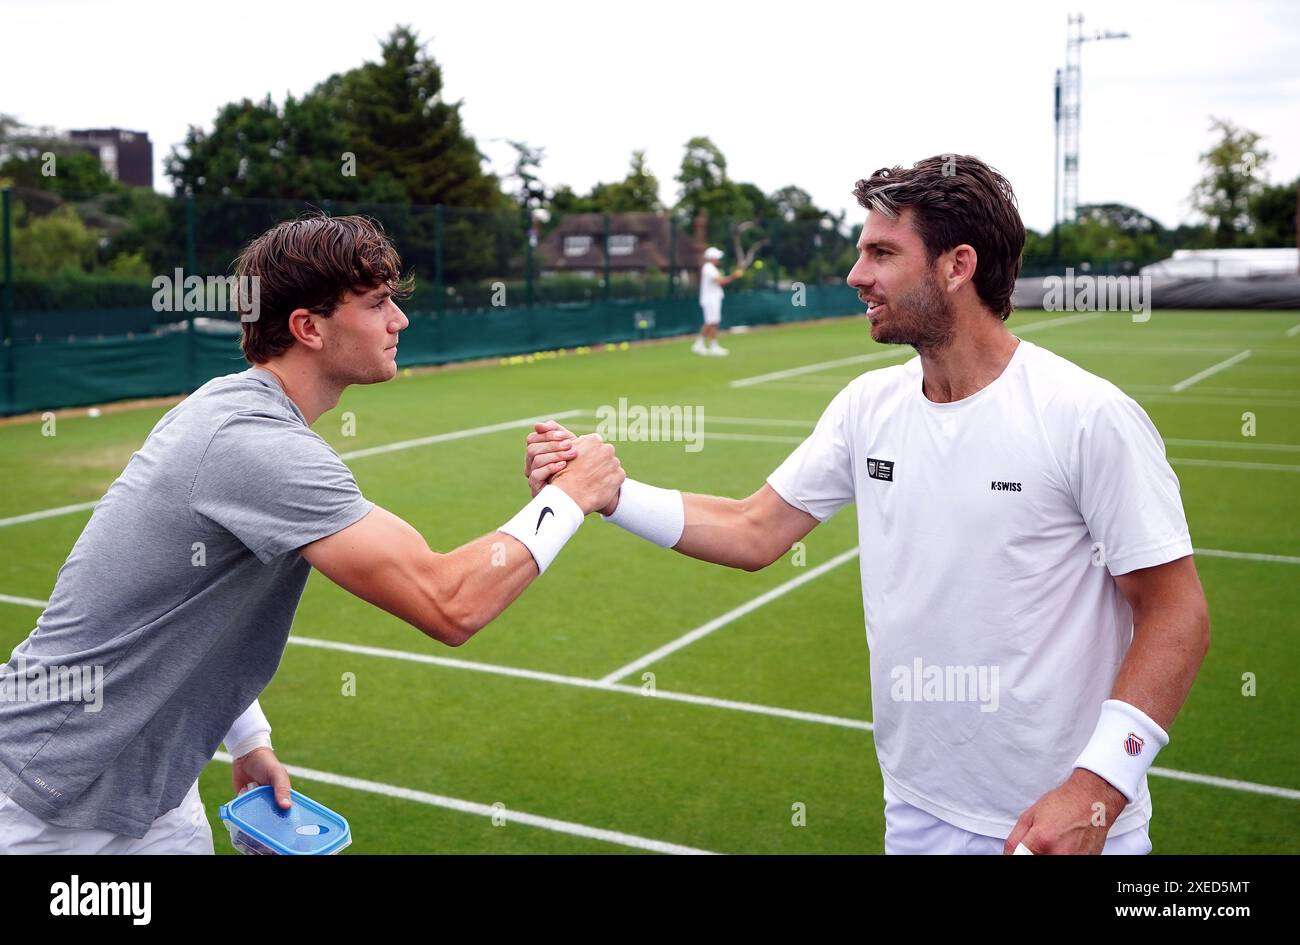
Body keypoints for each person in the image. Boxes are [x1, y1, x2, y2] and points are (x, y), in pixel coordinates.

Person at [526, 155, 1210, 855]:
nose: (857, 276)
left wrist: (1098, 787)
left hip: (1060, 825)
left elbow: (1176, 611)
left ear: (957, 265)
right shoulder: (867, 406)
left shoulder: (1087, 415)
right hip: (913, 806)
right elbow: (753, 528)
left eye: (882, 253)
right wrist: (608, 494)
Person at [0, 213, 623, 854]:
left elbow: (187, 605)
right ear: (308, 327)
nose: (399, 321)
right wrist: (572, 497)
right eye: (378, 304)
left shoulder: (235, 410)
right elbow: (449, 602)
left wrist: (248, 739)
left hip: (153, 789)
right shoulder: (255, 444)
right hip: (46, 800)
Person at [693, 246, 743, 356]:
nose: (718, 259)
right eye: (717, 257)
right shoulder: (708, 268)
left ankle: (702, 344)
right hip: (710, 299)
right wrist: (734, 276)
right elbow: (720, 281)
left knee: (712, 322)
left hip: (713, 298)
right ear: (712, 257)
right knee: (711, 322)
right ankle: (709, 345)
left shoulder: (711, 268)